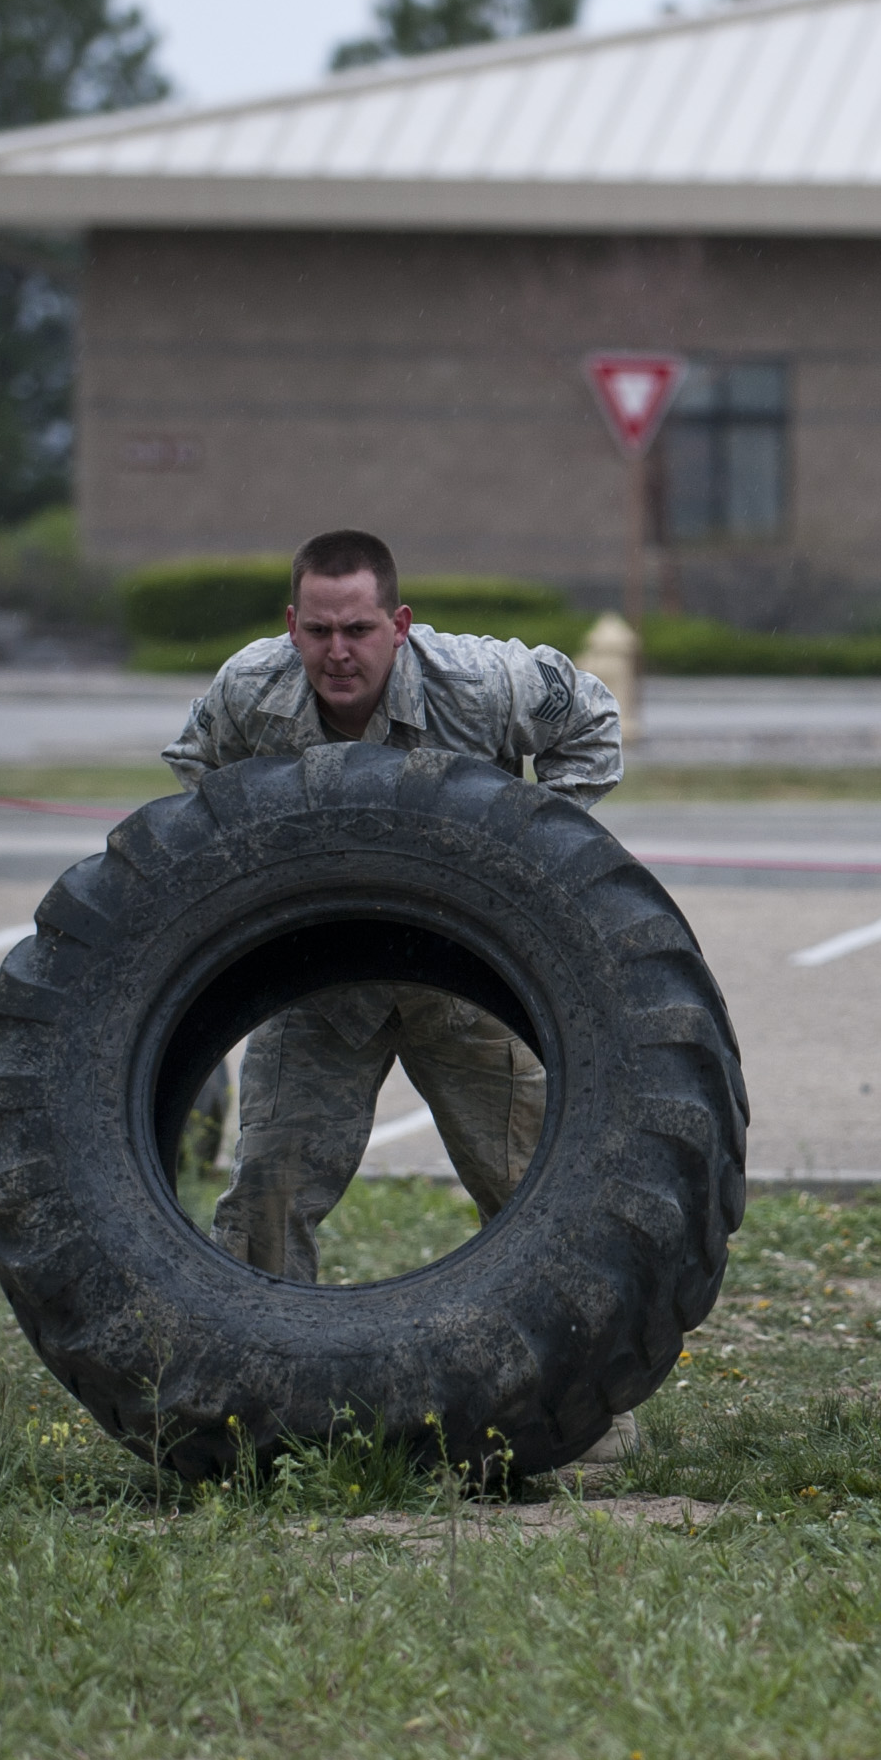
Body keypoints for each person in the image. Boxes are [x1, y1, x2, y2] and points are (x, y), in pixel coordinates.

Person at [164, 529, 621, 1298]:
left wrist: (529, 853)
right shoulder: (251, 692)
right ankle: (257, 1402)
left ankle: (587, 1415)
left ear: (400, 624)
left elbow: (592, 720)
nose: (337, 651)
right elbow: (199, 784)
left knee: (543, 1199)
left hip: (465, 986)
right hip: (320, 988)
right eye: (318, 631)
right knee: (264, 1205)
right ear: (291, 625)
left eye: (359, 629)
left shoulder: (475, 684)